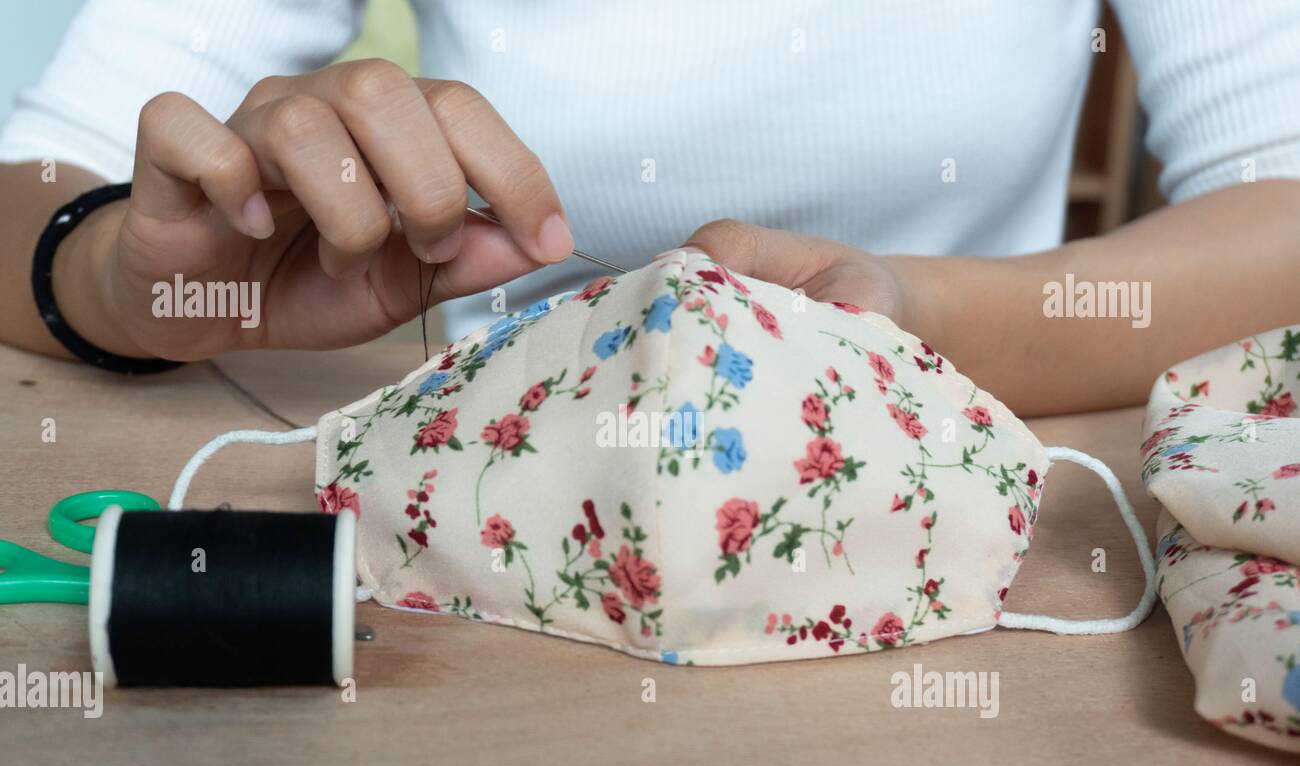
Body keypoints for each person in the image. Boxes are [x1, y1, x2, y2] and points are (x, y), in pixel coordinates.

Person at [2, 0, 1298, 415]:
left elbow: (1282, 198)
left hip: (967, 505)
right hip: (476, 555)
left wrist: (926, 322)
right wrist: (133, 282)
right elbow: (31, 186)